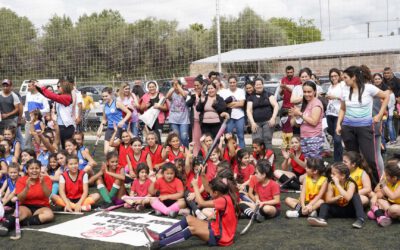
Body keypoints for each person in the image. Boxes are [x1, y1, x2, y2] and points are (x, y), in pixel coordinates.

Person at [144, 175, 239, 248]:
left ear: (216, 193)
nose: (208, 192)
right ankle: (160, 236)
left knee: (191, 229)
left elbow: (201, 202)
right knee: (189, 218)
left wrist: (195, 187)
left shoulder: (222, 200)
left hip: (221, 238)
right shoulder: (225, 196)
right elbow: (207, 188)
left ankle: (158, 244)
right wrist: (202, 174)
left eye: (210, 192)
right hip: (216, 228)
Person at [336, 66, 389, 186]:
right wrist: (339, 124)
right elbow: (343, 108)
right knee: (353, 160)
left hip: (365, 128)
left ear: (353, 77)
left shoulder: (369, 88)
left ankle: (378, 187)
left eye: (345, 77)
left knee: (371, 160)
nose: (343, 80)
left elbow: (386, 96)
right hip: (348, 128)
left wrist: (379, 115)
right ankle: (357, 185)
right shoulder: (344, 89)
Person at [0, 159, 54, 235]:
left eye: (37, 168)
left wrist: (43, 184)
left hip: (42, 206)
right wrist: (27, 188)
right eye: (31, 168)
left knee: (49, 215)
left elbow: (48, 195)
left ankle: (23, 222)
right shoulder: (22, 180)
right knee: (18, 213)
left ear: (40, 169)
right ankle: (5, 226)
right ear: (27, 170)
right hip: (26, 206)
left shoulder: (46, 179)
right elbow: (20, 198)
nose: (34, 171)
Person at [307, 163, 366, 229]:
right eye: (331, 173)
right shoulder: (331, 184)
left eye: (334, 174)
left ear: (343, 176)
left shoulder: (351, 183)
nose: (331, 176)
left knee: (356, 196)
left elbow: (348, 198)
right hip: (338, 209)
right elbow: (328, 200)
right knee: (324, 205)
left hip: (351, 211)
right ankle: (321, 219)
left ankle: (360, 219)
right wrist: (337, 198)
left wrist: (338, 185)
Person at [35, 78, 75, 149]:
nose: (57, 88)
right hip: (60, 126)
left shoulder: (67, 97)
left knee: (67, 148)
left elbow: (52, 96)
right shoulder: (62, 96)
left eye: (59, 86)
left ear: (64, 87)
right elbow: (47, 95)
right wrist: (37, 88)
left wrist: (42, 87)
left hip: (66, 127)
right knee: (60, 147)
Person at [289, 81, 324, 159]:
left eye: (309, 92)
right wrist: (294, 116)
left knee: (315, 164)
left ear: (314, 91)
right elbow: (298, 124)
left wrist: (300, 114)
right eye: (304, 92)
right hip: (304, 137)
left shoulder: (316, 103)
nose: (306, 94)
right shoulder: (306, 104)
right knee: (308, 164)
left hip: (314, 138)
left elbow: (314, 122)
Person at [98, 87, 132, 155]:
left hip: (119, 129)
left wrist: (123, 121)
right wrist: (100, 129)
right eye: (103, 96)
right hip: (110, 129)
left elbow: (129, 113)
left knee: (111, 150)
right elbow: (104, 119)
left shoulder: (117, 103)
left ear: (111, 94)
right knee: (106, 152)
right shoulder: (105, 106)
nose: (104, 98)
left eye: (106, 96)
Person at [246, 78, 279, 149]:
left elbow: (276, 106)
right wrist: (252, 123)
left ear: (263, 85)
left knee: (267, 140)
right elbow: (249, 110)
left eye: (260, 84)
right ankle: (259, 159)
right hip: (256, 123)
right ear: (254, 86)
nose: (258, 86)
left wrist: (273, 118)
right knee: (257, 141)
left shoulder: (269, 94)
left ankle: (269, 157)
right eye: (257, 85)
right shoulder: (251, 97)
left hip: (268, 122)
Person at [368, 160, 400, 227]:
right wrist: (375, 197)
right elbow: (376, 190)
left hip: (396, 207)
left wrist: (383, 185)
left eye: (387, 175)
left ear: (394, 178)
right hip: (390, 205)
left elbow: (393, 196)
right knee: (377, 199)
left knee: (394, 209)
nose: (385, 176)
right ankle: (383, 215)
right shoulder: (388, 180)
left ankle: (378, 213)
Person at [219, 76, 246, 149]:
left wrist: (229, 104)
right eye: (230, 82)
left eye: (234, 82)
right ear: (228, 83)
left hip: (240, 116)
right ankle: (230, 152)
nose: (232, 84)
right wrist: (236, 103)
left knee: (241, 135)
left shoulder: (241, 91)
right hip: (229, 117)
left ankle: (241, 152)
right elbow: (224, 105)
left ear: (236, 82)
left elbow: (241, 104)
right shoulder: (224, 92)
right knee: (229, 136)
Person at [23, 79, 50, 149]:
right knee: (27, 140)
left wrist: (37, 112)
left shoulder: (42, 96)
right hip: (29, 122)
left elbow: (47, 109)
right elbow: (25, 107)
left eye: (29, 86)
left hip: (39, 123)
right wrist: (28, 118)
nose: (28, 88)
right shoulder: (28, 95)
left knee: (39, 141)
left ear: (34, 86)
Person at [325, 68, 345, 162]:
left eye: (335, 76)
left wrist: (334, 97)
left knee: (337, 139)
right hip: (329, 114)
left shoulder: (342, 85)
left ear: (339, 76)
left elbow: (345, 97)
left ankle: (338, 160)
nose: (333, 78)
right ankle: (337, 158)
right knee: (335, 138)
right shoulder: (330, 86)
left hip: (338, 114)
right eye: (331, 76)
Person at [166, 79, 190, 147]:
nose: (176, 87)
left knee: (184, 137)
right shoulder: (172, 93)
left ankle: (186, 150)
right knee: (176, 138)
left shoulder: (185, 92)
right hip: (174, 120)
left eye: (177, 85)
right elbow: (167, 96)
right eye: (174, 86)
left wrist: (178, 85)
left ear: (181, 85)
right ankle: (179, 153)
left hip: (184, 120)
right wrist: (174, 86)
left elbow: (184, 95)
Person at [186, 75, 204, 156]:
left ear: (202, 85)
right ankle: (196, 157)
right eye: (195, 85)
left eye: (198, 85)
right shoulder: (193, 95)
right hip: (195, 121)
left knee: (203, 140)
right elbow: (188, 104)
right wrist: (194, 97)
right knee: (195, 141)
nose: (196, 87)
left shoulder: (205, 95)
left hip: (204, 121)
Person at [383, 67, 400, 138]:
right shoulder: (383, 81)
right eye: (385, 73)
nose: (386, 75)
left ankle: (395, 136)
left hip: (396, 102)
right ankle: (387, 137)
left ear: (391, 73)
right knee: (386, 120)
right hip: (385, 103)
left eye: (388, 73)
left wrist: (398, 97)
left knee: (395, 119)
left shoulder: (397, 80)